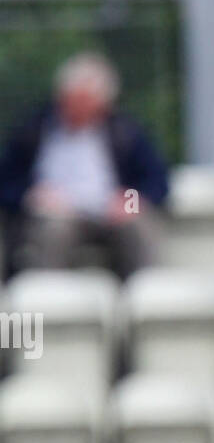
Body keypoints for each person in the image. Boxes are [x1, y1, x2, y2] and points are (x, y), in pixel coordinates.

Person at [0, 52, 169, 278]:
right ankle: (48, 301)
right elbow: (6, 180)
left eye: (88, 102)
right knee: (53, 229)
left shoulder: (126, 132)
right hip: (56, 213)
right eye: (74, 100)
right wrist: (31, 195)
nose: (79, 109)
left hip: (110, 210)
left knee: (138, 223)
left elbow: (158, 180)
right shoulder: (33, 130)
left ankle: (145, 298)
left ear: (104, 103)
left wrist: (129, 199)